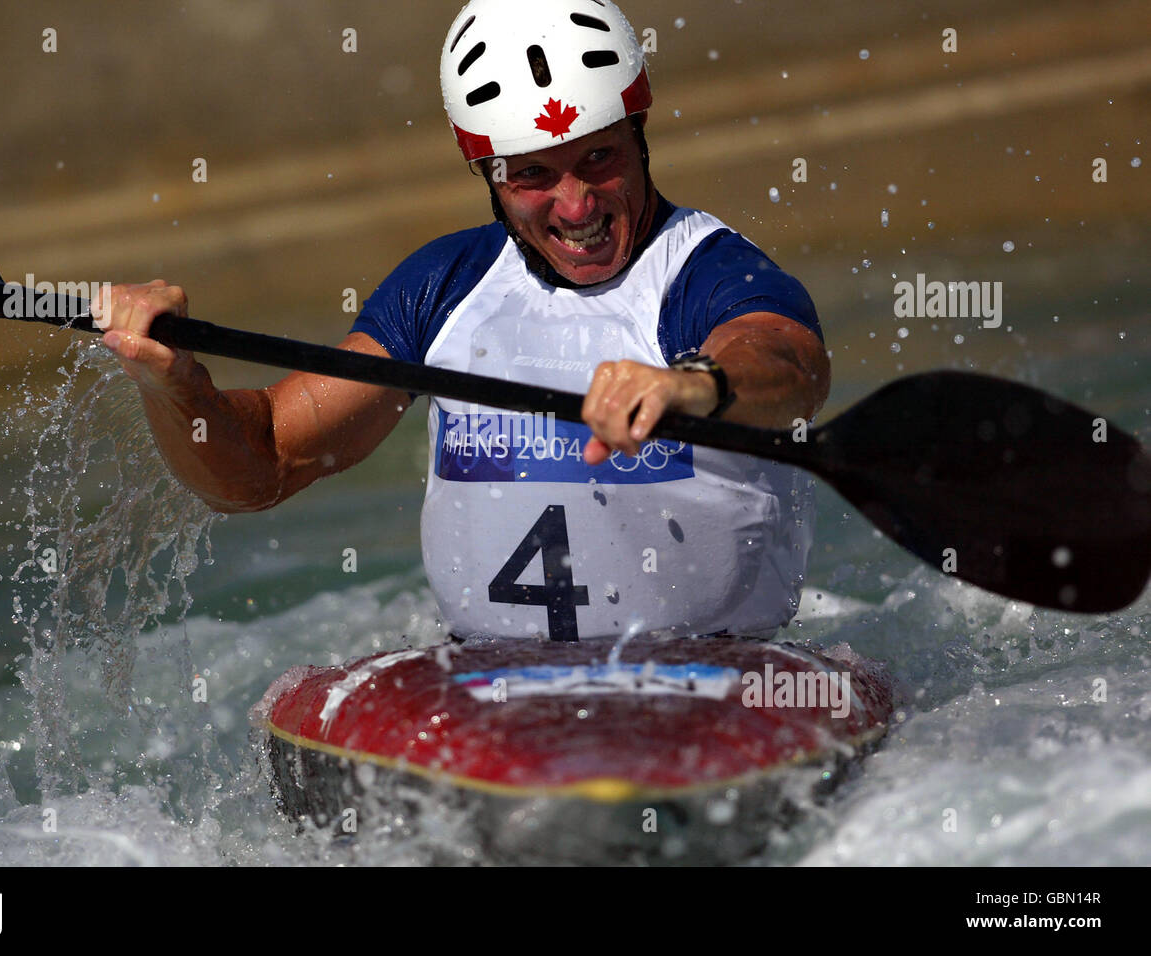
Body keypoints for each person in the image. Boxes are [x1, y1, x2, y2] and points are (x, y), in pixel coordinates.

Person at [94, 0, 829, 643]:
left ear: (639, 135)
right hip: (492, 694)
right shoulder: (443, 287)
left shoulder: (709, 272)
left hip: (718, 680)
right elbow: (258, 468)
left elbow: (789, 366)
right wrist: (174, 384)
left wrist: (691, 386)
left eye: (598, 158)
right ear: (488, 175)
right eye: (533, 174)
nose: (575, 207)